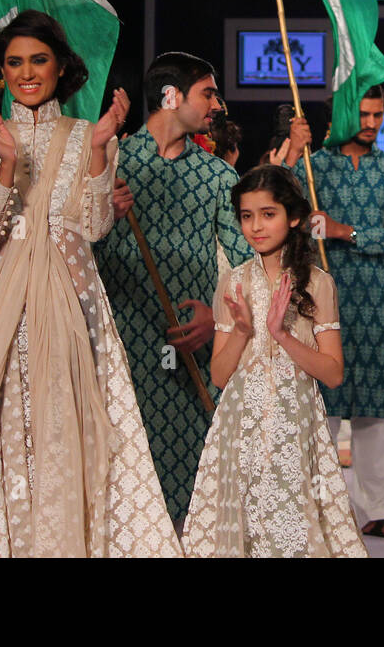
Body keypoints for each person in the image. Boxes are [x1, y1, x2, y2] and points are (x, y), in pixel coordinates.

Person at [0, 9, 178, 556]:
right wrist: (7, 165)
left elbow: (95, 226)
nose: (26, 72)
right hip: (3, 307)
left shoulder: (88, 136)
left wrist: (102, 151)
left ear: (61, 67)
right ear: (1, 73)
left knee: (69, 433)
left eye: (38, 60)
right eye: (14, 63)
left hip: (76, 304)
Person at [94, 52, 255, 532]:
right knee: (122, 475)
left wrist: (219, 321)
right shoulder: (109, 163)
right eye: (207, 92)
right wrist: (103, 213)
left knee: (190, 482)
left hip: (191, 352)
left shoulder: (221, 179)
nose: (216, 104)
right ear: (171, 97)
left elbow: (248, 268)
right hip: (119, 348)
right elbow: (71, 251)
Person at [183, 165, 365, 557]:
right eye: (247, 216)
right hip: (240, 423)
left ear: (293, 216)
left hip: (294, 422)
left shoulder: (317, 283)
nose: (255, 227)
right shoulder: (233, 282)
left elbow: (333, 373)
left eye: (268, 214)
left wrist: (282, 335)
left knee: (290, 526)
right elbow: (218, 374)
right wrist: (245, 332)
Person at [284, 86, 384, 540]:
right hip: (320, 303)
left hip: (378, 307)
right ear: (343, 113)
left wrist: (345, 230)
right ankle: (312, 509)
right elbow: (269, 206)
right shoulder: (311, 167)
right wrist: (291, 151)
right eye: (364, 113)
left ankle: (378, 510)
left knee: (380, 414)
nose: (373, 123)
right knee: (320, 410)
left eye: (379, 115)